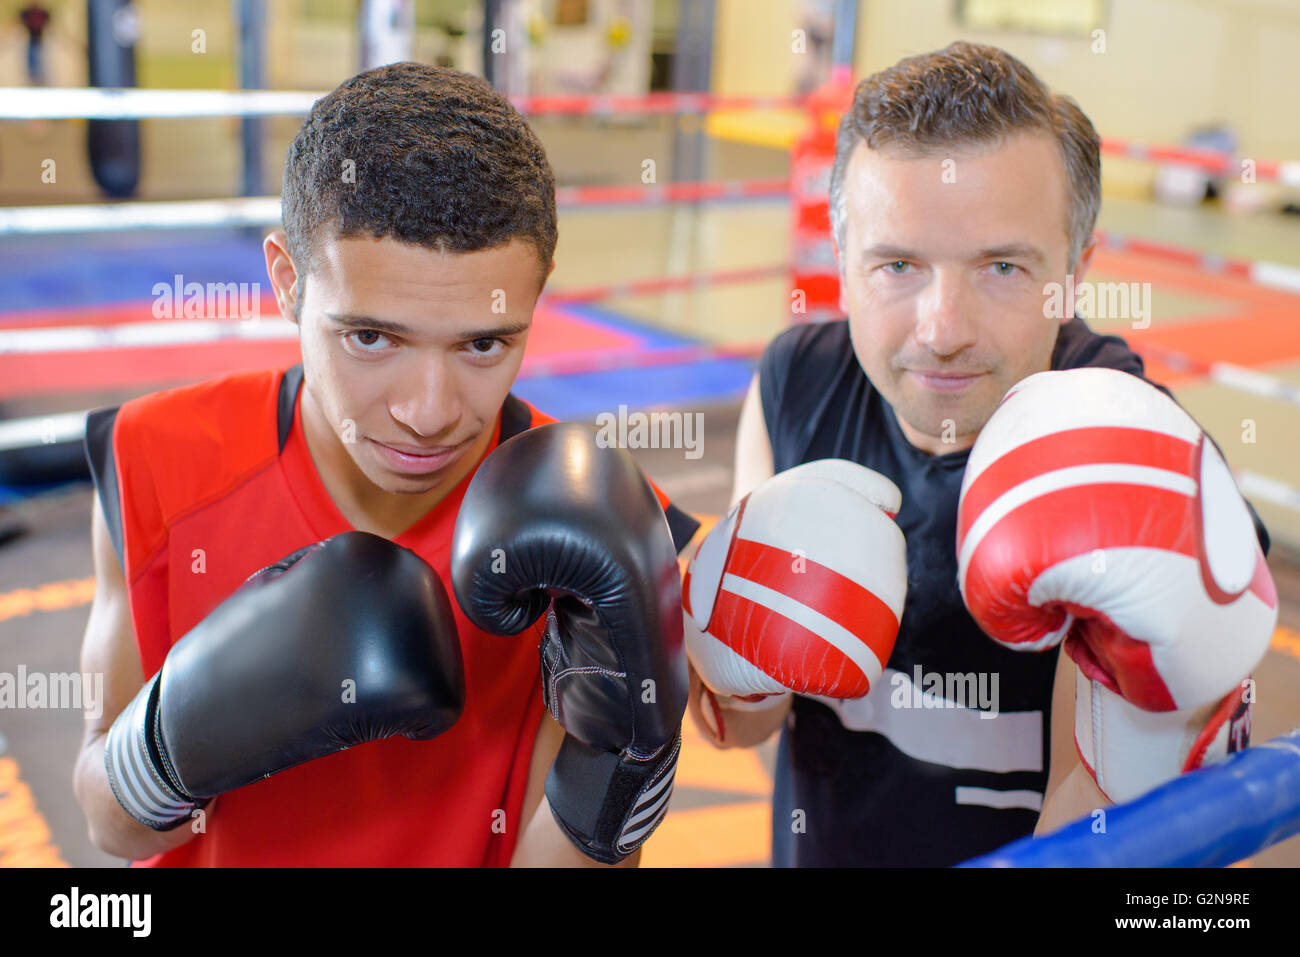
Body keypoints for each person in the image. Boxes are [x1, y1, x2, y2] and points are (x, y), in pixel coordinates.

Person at [73, 63, 698, 867]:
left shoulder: (593, 523)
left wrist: (623, 765)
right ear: (286, 281)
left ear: (537, 298)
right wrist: (174, 739)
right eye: (371, 337)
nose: (429, 410)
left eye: (484, 343)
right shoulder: (152, 462)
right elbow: (108, 824)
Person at [683, 41, 1275, 867]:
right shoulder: (795, 382)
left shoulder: (1121, 455)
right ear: (843, 272)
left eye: (1002, 266)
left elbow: (1098, 836)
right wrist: (729, 649)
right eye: (897, 264)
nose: (943, 328)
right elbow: (748, 717)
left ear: (1073, 274)